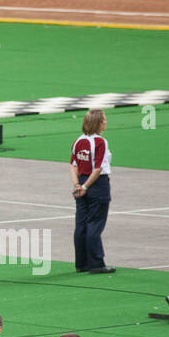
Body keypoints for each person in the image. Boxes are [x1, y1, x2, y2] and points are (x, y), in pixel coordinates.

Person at [70, 108, 115, 275]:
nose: (105, 122)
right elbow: (97, 169)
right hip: (97, 184)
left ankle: (81, 263)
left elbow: (73, 165)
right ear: (98, 123)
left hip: (81, 181)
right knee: (95, 224)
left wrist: (78, 186)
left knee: (81, 224)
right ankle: (96, 263)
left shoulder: (79, 141)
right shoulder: (100, 142)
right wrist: (86, 187)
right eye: (104, 120)